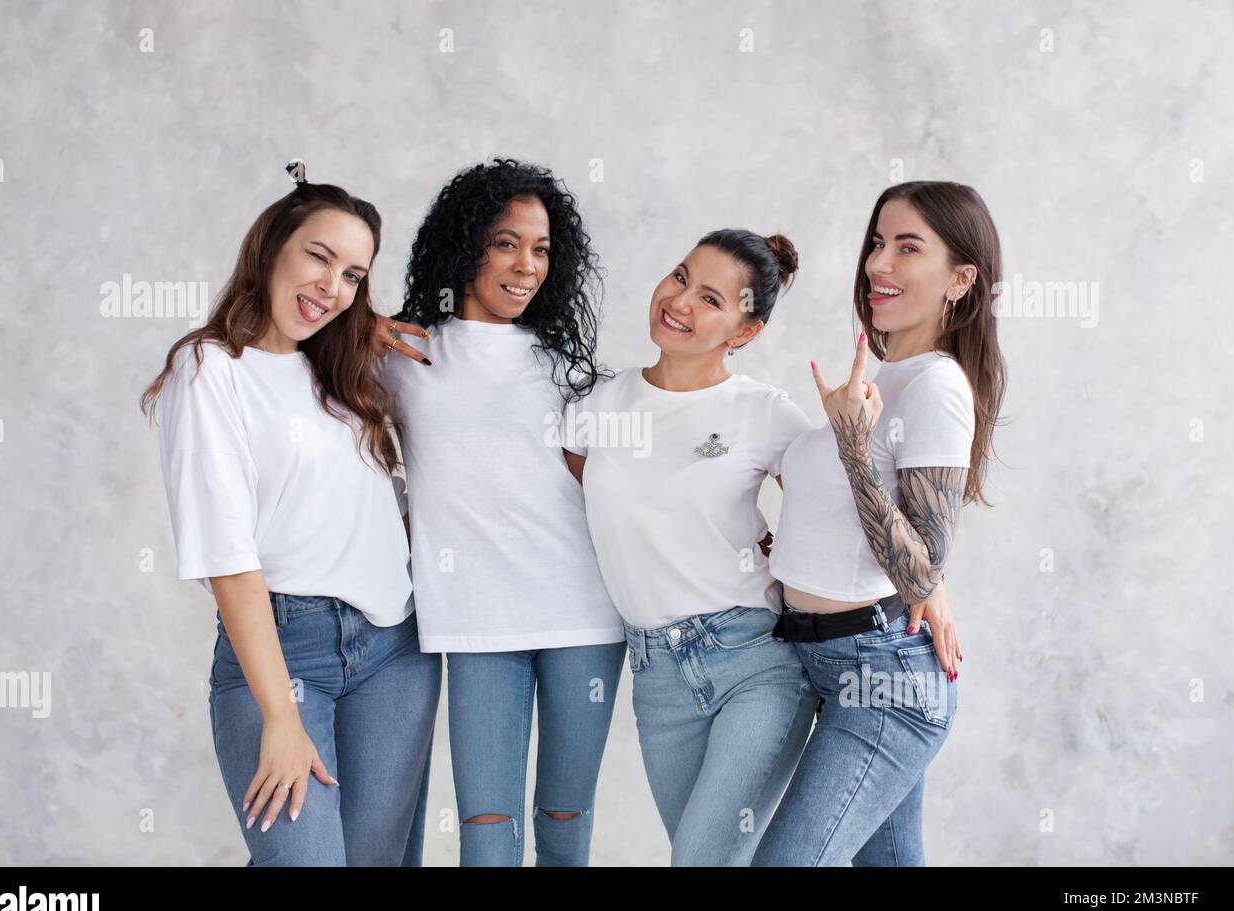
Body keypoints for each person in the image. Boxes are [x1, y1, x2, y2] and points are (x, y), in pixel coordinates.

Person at [141, 166, 439, 866]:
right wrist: (280, 713)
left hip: (396, 650)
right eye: (318, 256)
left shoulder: (339, 374)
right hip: (285, 651)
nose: (332, 286)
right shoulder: (209, 368)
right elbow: (228, 557)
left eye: (354, 275)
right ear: (272, 245)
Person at [375, 158, 624, 867]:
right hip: (477, 623)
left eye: (542, 248)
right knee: (486, 835)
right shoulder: (406, 352)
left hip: (585, 617)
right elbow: (302, 337)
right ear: (465, 246)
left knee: (565, 822)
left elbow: (619, 485)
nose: (527, 265)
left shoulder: (567, 370)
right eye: (508, 242)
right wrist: (360, 325)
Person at [753, 181, 1007, 866]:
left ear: (960, 279)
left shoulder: (937, 388)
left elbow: (921, 570)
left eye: (906, 247)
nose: (877, 264)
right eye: (875, 243)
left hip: (882, 680)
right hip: (825, 663)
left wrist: (852, 449)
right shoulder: (887, 379)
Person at [562, 228, 816, 866]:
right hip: (656, 677)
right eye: (680, 278)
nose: (680, 302)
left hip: (753, 660)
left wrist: (930, 586)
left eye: (711, 299)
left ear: (744, 331)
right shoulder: (600, 403)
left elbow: (841, 512)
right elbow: (593, 507)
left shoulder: (763, 411)